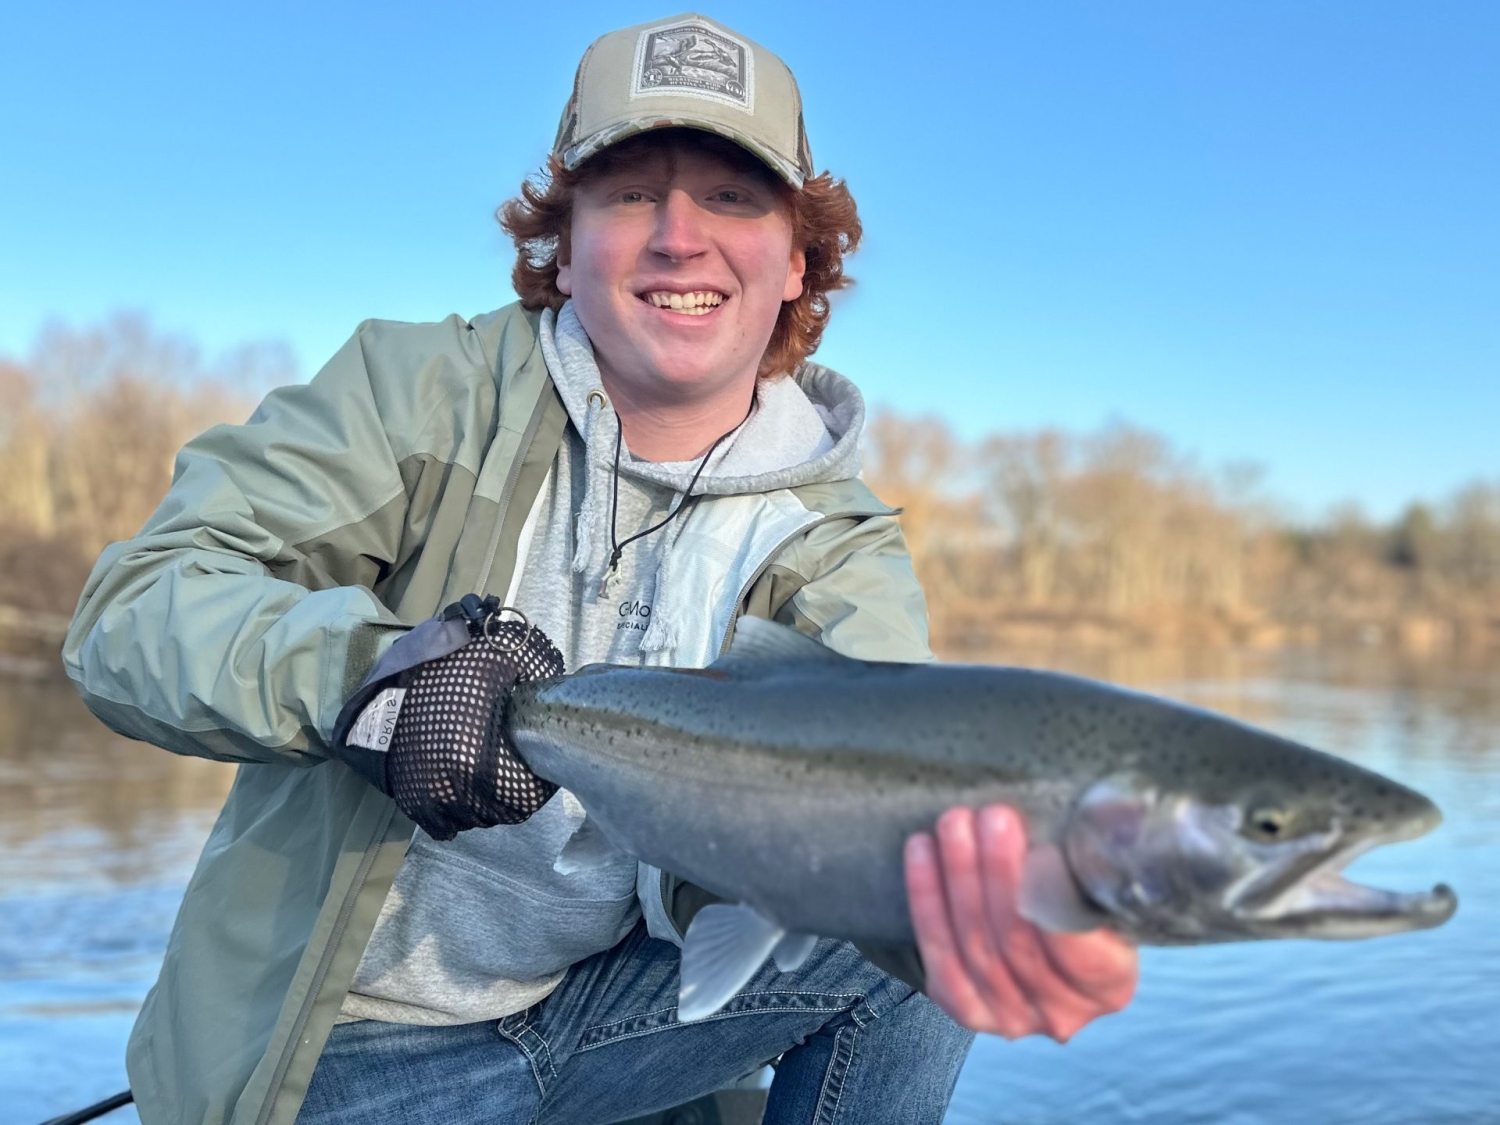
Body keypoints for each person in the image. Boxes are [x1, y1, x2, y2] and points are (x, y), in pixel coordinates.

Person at [63, 14, 1136, 1125]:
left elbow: (853, 821)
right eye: (629, 194)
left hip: (606, 1029)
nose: (680, 236)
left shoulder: (837, 543)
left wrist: (1000, 932)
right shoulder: (416, 390)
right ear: (563, 248)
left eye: (732, 196)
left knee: (907, 959)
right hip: (334, 1054)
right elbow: (132, 611)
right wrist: (370, 680)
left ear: (799, 260)